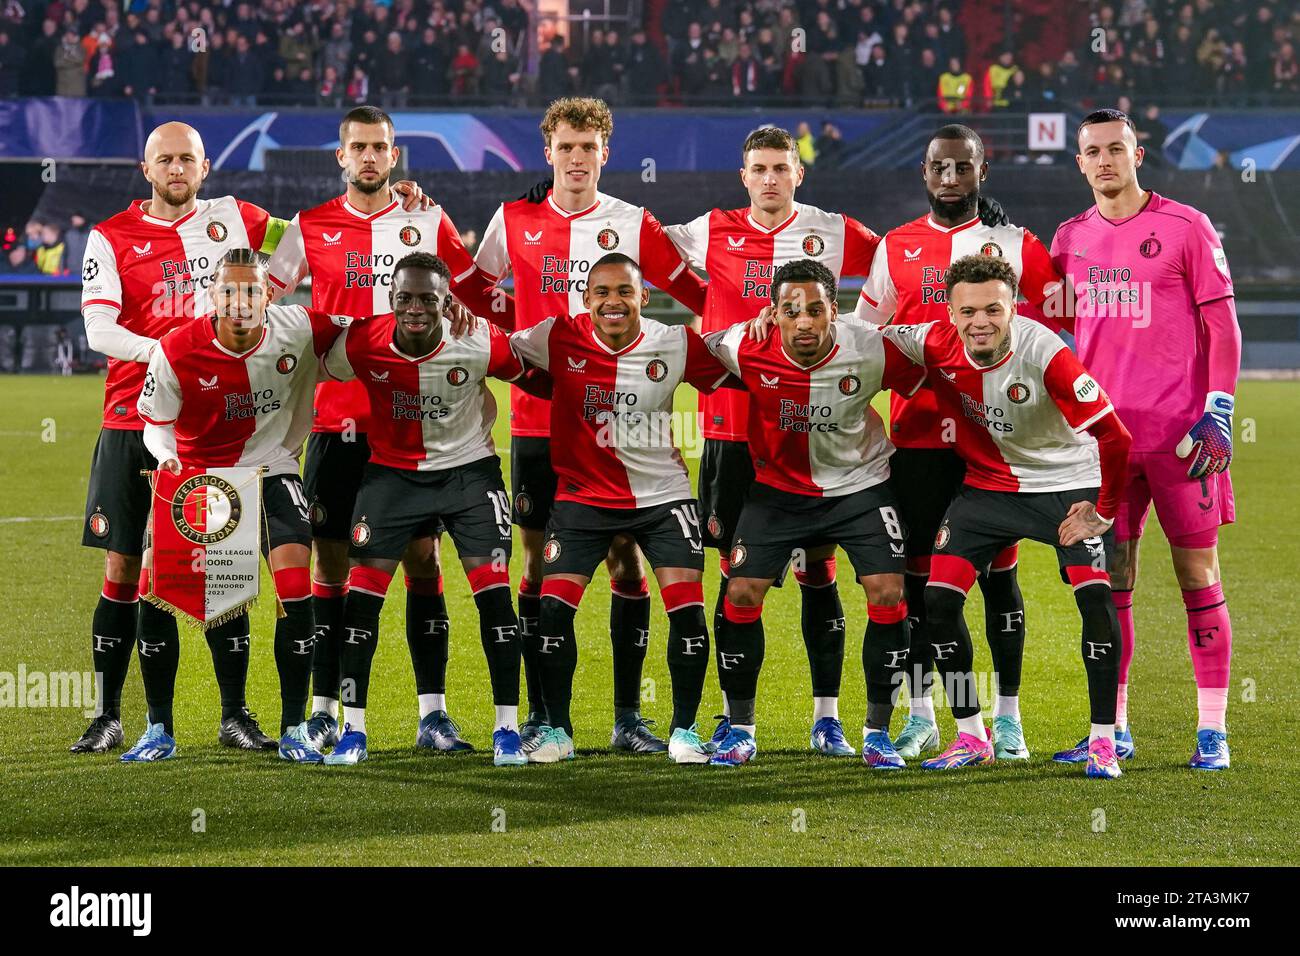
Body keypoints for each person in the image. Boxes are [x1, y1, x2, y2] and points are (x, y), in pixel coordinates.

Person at [457, 97, 708, 755]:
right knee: (540, 570)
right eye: (565, 147)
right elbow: (478, 292)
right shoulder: (514, 218)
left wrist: (751, 323)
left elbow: (700, 293)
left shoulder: (633, 222)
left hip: (631, 433)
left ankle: (629, 719)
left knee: (629, 566)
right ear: (548, 152)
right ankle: (545, 716)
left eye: (587, 148)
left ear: (605, 153)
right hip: (539, 423)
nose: (576, 159)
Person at [267, 105, 497, 756]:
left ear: (395, 157)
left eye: (380, 148)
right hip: (335, 423)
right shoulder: (310, 228)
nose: (369, 157)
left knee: (423, 562)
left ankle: (434, 715)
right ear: (340, 157)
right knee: (332, 566)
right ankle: (323, 712)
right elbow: (263, 298)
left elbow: (472, 296)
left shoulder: (426, 218)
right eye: (358, 147)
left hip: (414, 424)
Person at [664, 125, 881, 757]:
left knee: (820, 574)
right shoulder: (712, 229)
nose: (769, 179)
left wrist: (980, 229)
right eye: (759, 168)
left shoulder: (833, 230)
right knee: (736, 581)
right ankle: (735, 720)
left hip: (811, 436)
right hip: (732, 429)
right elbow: (631, 243)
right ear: (743, 176)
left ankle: (827, 717)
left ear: (798, 173)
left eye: (780, 168)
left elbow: (901, 265)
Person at [74, 122, 285, 755]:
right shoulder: (111, 236)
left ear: (205, 165)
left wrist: (408, 206)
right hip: (131, 424)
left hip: (212, 426)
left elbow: (305, 242)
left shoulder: (239, 218)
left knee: (223, 570)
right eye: (164, 159)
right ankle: (110, 715)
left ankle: (234, 715)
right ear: (146, 169)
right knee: (122, 570)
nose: (175, 168)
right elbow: (97, 331)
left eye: (186, 159)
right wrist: (167, 353)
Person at [852, 124, 1062, 762]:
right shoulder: (896, 246)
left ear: (982, 170)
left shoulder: (1018, 244)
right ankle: (925, 711)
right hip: (916, 441)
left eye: (962, 168)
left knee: (999, 578)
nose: (950, 179)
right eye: (939, 168)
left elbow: (1054, 336)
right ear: (923, 172)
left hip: (994, 441)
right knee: (921, 582)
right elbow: (867, 336)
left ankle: (1008, 718)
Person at [881, 254, 1133, 779]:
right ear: (949, 312)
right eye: (968, 311)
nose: (980, 322)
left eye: (993, 309)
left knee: (1094, 600)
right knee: (937, 600)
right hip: (989, 490)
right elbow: (863, 334)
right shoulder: (933, 340)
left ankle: (1104, 742)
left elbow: (1116, 436)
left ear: (1012, 307)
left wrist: (1103, 515)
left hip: (1066, 488)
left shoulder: (1045, 352)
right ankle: (972, 734)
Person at [1047, 109, 1240, 771]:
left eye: (1115, 149)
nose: (1104, 161)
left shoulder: (1186, 227)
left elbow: (1224, 327)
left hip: (1184, 441)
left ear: (1138, 154)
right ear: (1079, 162)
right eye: (1092, 152)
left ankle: (1211, 731)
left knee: (1197, 576)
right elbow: (1048, 329)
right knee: (1112, 582)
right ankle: (1114, 727)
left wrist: (1218, 410)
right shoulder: (1069, 238)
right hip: (1107, 444)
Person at [127, 248, 351, 762]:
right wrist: (166, 461)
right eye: (229, 290)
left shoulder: (299, 328)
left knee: (295, 585)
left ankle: (294, 728)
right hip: (197, 476)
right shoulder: (176, 350)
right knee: (154, 592)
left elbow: (364, 327)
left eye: (251, 290)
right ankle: (158, 728)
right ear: (212, 295)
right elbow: (156, 424)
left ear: (269, 294)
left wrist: (447, 310)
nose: (241, 300)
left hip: (271, 469)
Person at [508, 253, 729, 764]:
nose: (614, 302)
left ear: (643, 298)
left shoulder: (673, 343)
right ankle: (557, 730)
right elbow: (497, 353)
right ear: (586, 300)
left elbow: (741, 368)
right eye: (602, 292)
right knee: (552, 609)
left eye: (625, 292)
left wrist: (767, 329)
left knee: (689, 614)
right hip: (583, 498)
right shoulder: (555, 336)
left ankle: (683, 731)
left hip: (662, 497)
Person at [706, 259, 924, 768]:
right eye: (789, 311)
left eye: (815, 310)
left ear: (834, 310)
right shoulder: (745, 345)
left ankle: (876, 732)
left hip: (859, 487)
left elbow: (933, 356)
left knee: (889, 593)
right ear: (774, 313)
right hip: (777, 492)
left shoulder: (871, 345)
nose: (803, 321)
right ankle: (739, 729)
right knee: (739, 592)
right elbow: (698, 347)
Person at [319, 253, 531, 767]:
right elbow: (314, 365)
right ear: (390, 299)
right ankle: (353, 730)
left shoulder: (477, 339)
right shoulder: (363, 342)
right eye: (405, 298)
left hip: (469, 477)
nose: (416, 309)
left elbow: (534, 373)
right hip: (390, 479)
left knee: (495, 602)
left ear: (447, 302)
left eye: (429, 299)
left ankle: (506, 729)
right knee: (362, 606)